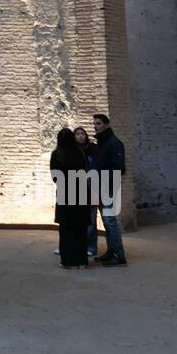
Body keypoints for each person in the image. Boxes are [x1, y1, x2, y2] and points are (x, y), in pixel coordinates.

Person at [50, 127, 90, 268]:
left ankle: (68, 261)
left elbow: (55, 177)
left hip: (65, 195)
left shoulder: (56, 154)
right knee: (80, 229)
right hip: (80, 194)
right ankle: (82, 262)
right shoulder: (79, 153)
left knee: (66, 230)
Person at [91, 113, 128, 266]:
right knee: (106, 222)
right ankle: (110, 252)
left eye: (98, 123)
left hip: (108, 187)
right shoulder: (101, 142)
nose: (95, 126)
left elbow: (119, 168)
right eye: (94, 123)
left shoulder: (113, 143)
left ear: (106, 124)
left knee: (110, 221)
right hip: (100, 186)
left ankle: (119, 256)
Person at [74, 126, 99, 257]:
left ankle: (91, 247)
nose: (80, 136)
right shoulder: (72, 151)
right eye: (78, 134)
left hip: (92, 188)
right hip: (77, 190)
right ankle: (78, 246)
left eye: (82, 134)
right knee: (78, 220)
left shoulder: (93, 149)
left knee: (91, 220)